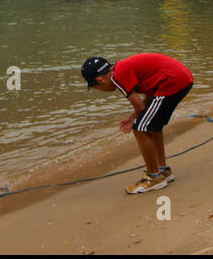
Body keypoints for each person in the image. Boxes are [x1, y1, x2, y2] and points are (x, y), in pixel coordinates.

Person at [81, 53, 194, 194]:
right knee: (152, 127)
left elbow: (140, 107)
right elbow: (150, 95)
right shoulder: (120, 69)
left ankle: (153, 177)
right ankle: (162, 170)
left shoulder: (116, 78)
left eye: (96, 87)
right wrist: (132, 117)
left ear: (100, 80)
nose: (100, 90)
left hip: (172, 81)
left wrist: (134, 119)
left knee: (140, 129)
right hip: (180, 78)